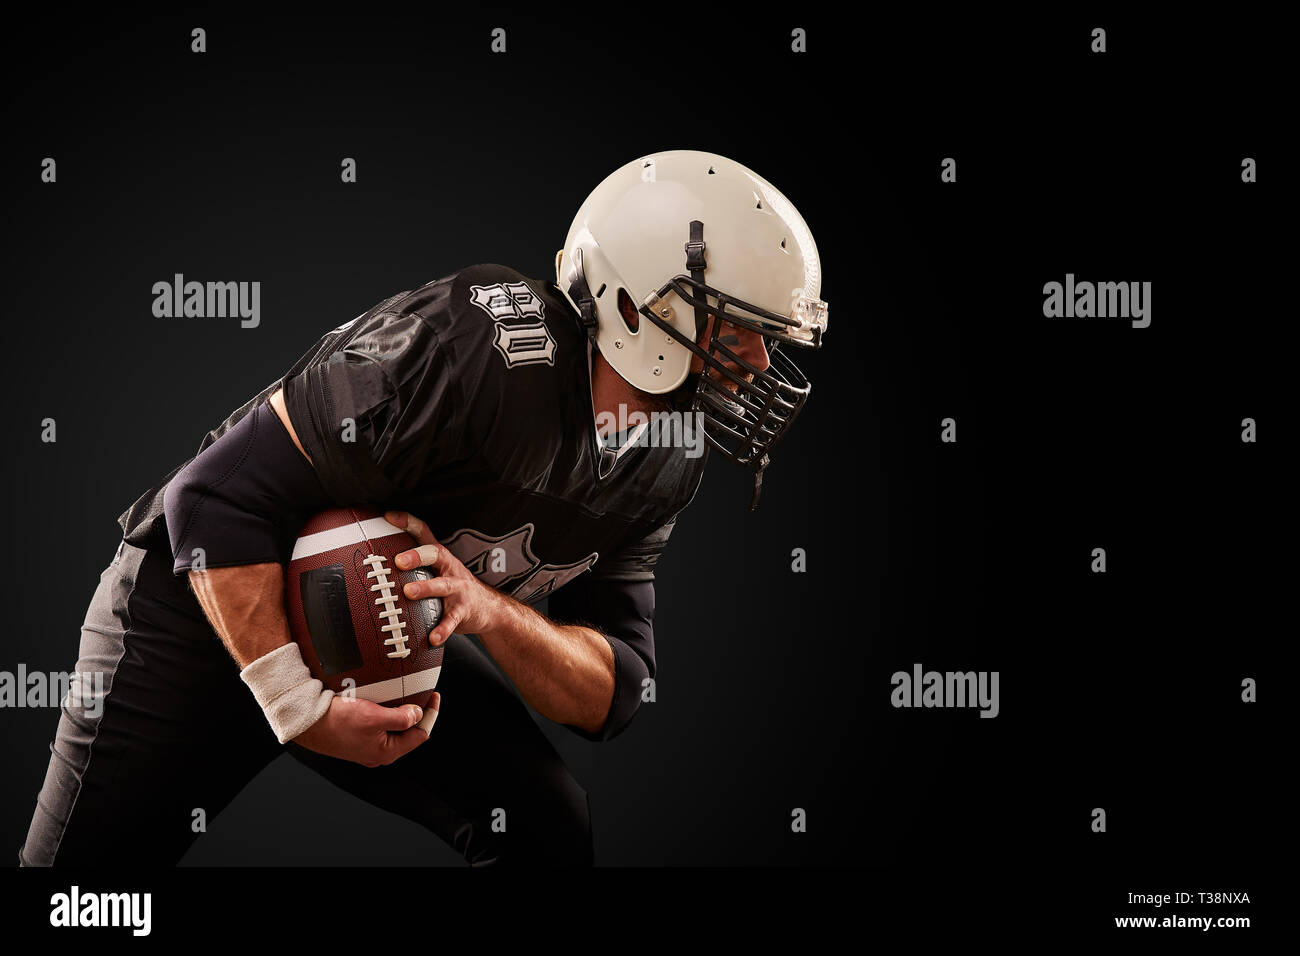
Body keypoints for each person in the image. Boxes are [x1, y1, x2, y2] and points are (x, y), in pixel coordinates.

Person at [20, 150, 828, 866]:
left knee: (545, 830)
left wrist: (489, 613)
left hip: (370, 633)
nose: (757, 364)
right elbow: (210, 498)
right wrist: (299, 707)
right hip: (199, 604)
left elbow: (615, 691)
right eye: (734, 328)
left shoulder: (665, 454)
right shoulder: (479, 353)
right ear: (632, 304)